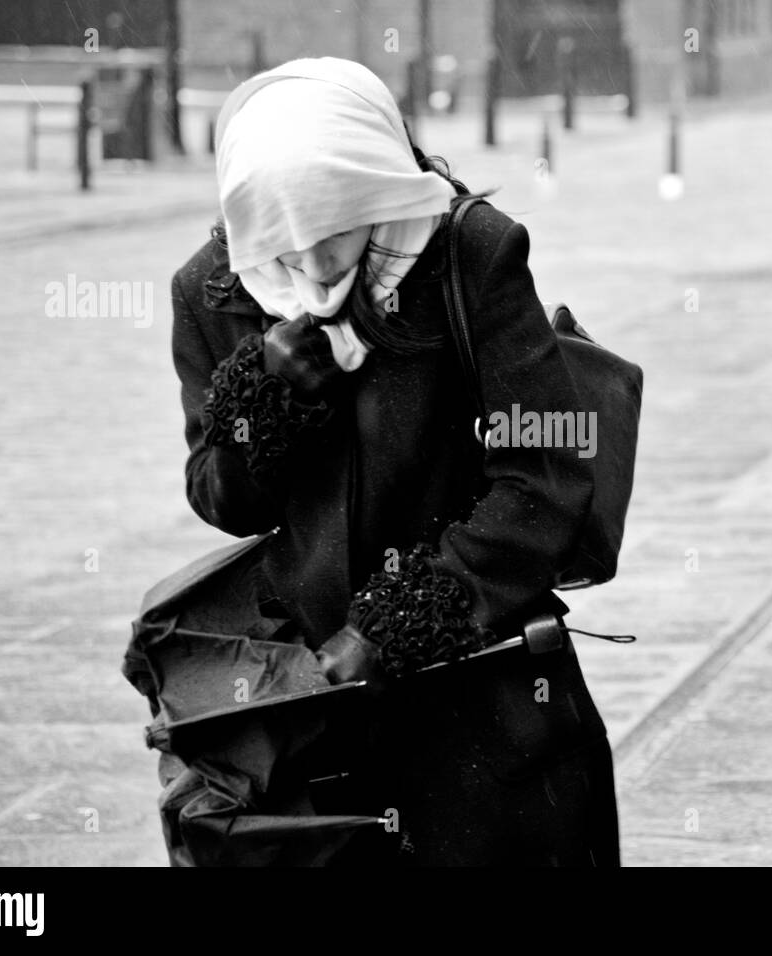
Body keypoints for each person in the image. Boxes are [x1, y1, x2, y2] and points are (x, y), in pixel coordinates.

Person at [168, 56, 619, 866]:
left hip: (484, 696)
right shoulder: (216, 288)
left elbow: (545, 482)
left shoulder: (468, 255)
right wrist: (266, 398)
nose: (310, 266)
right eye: (285, 238)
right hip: (311, 720)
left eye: (333, 228)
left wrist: (396, 624)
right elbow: (222, 499)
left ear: (376, 188)